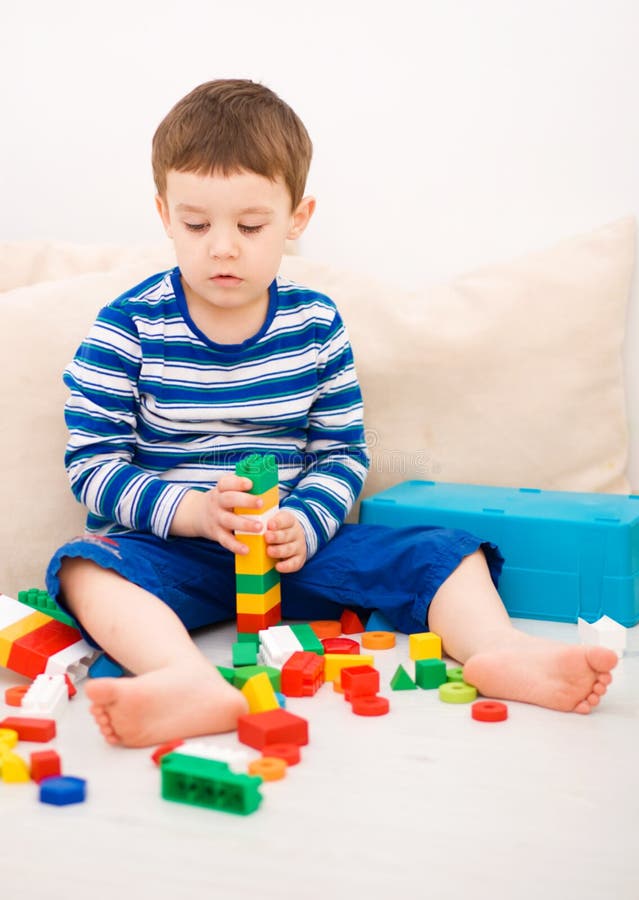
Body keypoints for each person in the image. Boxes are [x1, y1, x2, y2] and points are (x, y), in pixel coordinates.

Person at [46, 79, 617, 748]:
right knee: (85, 566)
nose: (222, 246)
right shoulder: (127, 329)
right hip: (173, 551)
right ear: (164, 214)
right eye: (196, 224)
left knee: (443, 550)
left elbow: (342, 454)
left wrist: (305, 523)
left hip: (296, 553)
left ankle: (498, 650)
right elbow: (92, 466)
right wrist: (193, 511)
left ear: (297, 219)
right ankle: (183, 679)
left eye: (250, 225)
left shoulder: (315, 325)